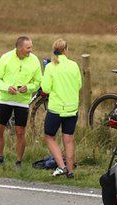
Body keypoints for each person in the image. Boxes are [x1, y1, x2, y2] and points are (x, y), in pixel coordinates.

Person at [0, 36, 42, 167]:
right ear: (19, 48)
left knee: (20, 132)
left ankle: (18, 162)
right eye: (28, 47)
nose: (31, 50)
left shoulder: (34, 60)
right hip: (5, 99)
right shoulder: (6, 57)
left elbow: (38, 81)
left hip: (22, 102)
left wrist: (28, 88)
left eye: (31, 47)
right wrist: (6, 87)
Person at [41, 39, 82, 177]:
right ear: (66, 49)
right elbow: (79, 85)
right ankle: (70, 171)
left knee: (49, 136)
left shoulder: (50, 67)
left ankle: (61, 166)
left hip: (56, 109)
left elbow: (45, 89)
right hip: (72, 108)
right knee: (69, 140)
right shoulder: (74, 65)